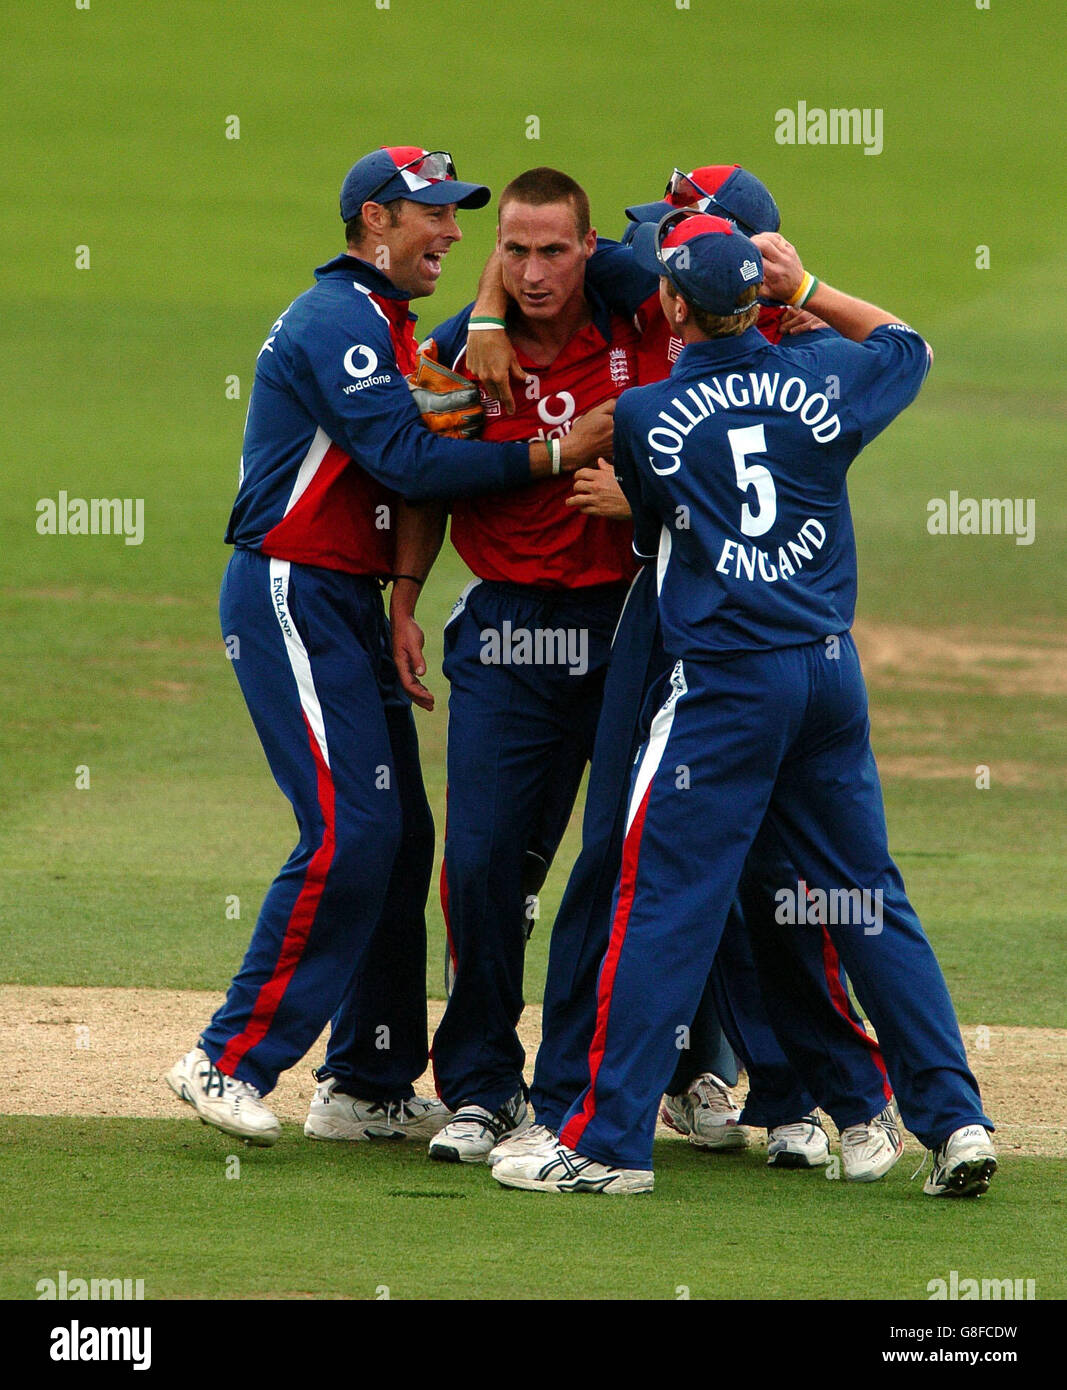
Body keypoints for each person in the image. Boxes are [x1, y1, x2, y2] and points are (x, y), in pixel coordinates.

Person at [493, 213, 996, 1196]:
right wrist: (805, 291)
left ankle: (605, 1145)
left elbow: (654, 525)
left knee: (661, 900)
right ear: (757, 298)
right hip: (827, 675)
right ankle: (956, 1122)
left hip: (724, 686)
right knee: (868, 900)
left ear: (674, 307)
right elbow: (907, 343)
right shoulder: (829, 375)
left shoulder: (645, 414)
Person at [164, 147, 613, 1147]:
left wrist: (491, 304)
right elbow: (410, 460)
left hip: (345, 597)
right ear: (375, 219)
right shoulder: (340, 322)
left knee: (400, 836)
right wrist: (555, 451)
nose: (451, 234)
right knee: (348, 833)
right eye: (432, 215)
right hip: (292, 588)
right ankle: (228, 1056)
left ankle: (366, 1080)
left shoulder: (386, 320)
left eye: (458, 218)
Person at [385, 167, 651, 1164]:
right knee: (481, 861)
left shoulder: (641, 323)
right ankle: (482, 1086)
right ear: (494, 253)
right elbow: (424, 482)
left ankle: (578, 1088)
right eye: (514, 252)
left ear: (589, 251)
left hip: (624, 625)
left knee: (615, 863)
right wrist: (405, 598)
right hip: (504, 633)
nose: (534, 272)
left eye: (553, 251)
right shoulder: (451, 354)